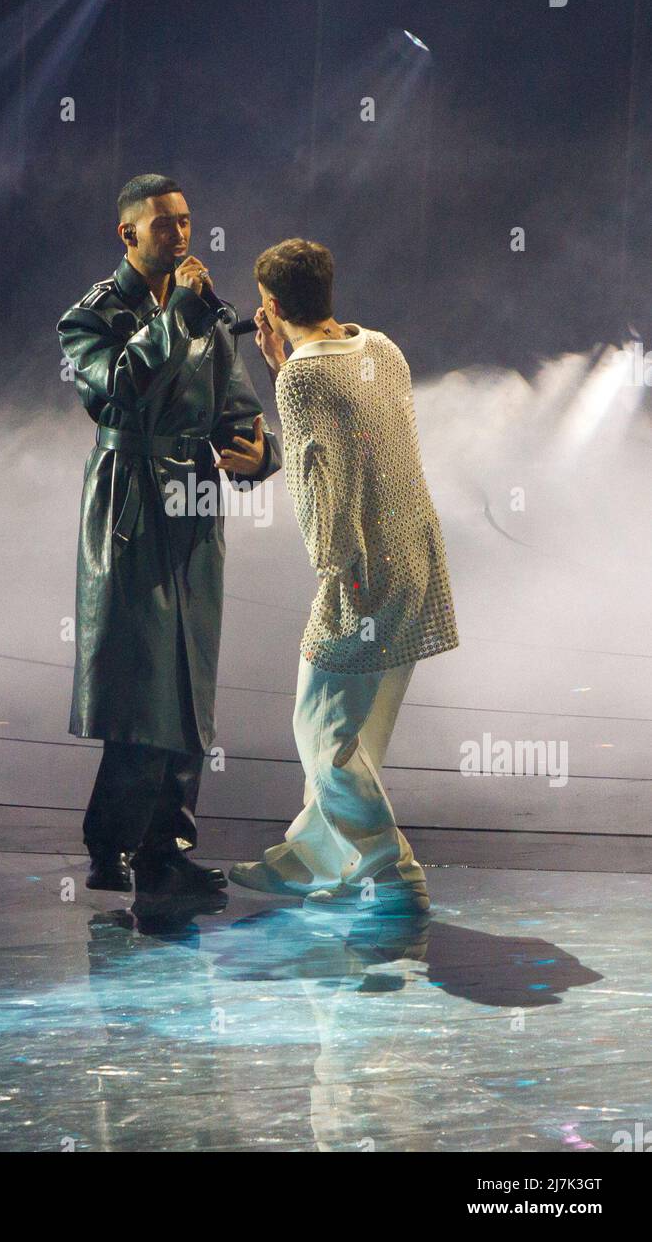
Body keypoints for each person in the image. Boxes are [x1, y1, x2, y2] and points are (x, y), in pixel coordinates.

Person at [57, 175, 282, 907]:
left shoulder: (206, 317)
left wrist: (260, 455)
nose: (179, 236)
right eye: (163, 225)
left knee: (188, 682)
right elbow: (117, 389)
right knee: (142, 679)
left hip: (195, 503)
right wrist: (176, 316)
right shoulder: (91, 317)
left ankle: (165, 845)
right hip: (130, 501)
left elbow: (238, 412)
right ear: (127, 234)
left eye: (185, 221)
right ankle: (113, 837)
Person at [229, 239, 459, 911]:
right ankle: (315, 859)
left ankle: (390, 869)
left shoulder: (301, 379)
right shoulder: (381, 348)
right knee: (358, 732)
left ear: (269, 306)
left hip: (365, 574)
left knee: (320, 732)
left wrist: (334, 568)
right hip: (417, 560)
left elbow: (315, 481)